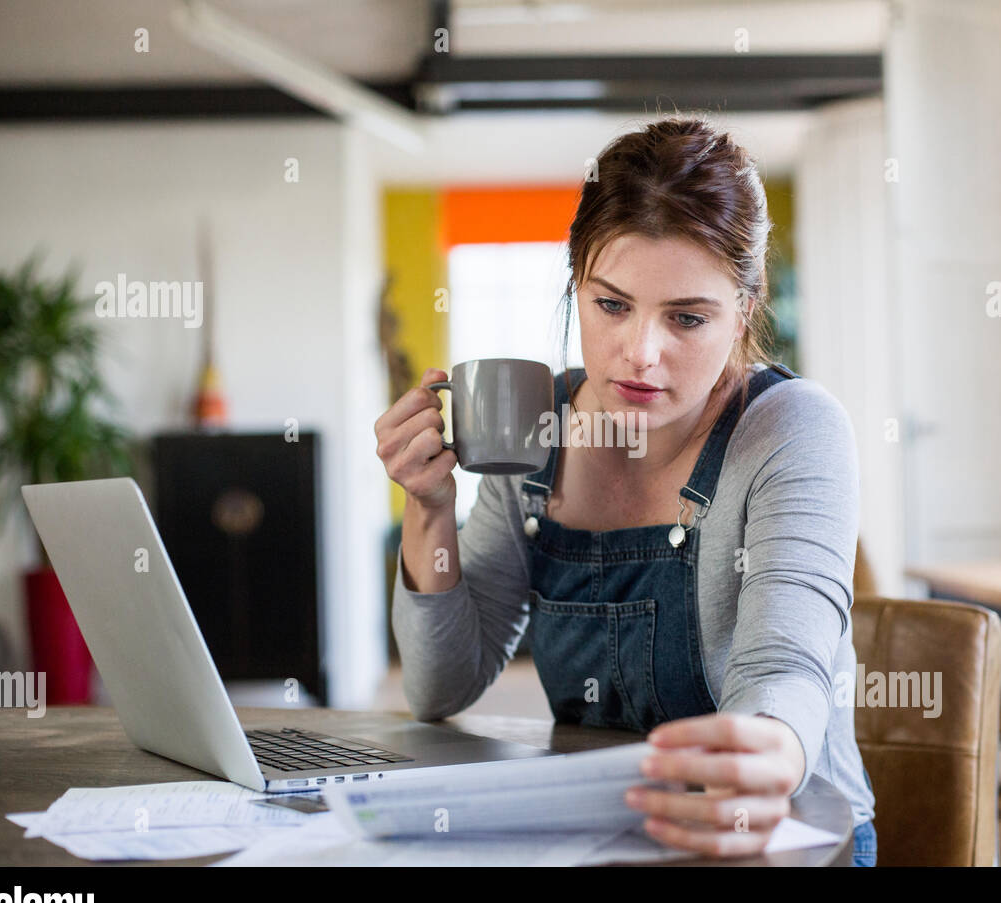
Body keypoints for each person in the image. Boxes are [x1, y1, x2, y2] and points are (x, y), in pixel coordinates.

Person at [375, 115, 877, 865]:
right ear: (576, 284)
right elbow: (439, 687)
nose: (641, 355)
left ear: (743, 310)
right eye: (612, 305)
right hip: (606, 834)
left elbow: (785, 669)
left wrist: (768, 756)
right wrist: (430, 507)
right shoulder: (535, 429)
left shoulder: (791, 430)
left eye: (687, 317)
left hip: (780, 837)